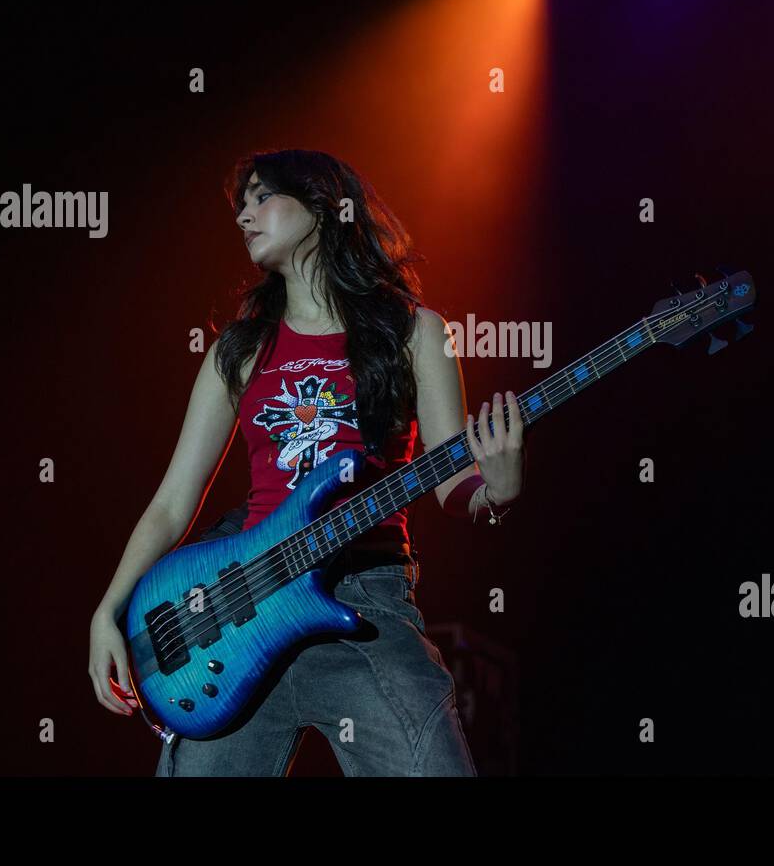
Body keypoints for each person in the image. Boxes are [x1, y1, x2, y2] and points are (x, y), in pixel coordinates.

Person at [87, 148, 525, 776]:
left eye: (262, 197)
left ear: (323, 205)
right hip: (240, 613)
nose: (243, 216)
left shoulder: (414, 332)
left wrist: (496, 492)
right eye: (241, 205)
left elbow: (455, 477)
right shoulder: (238, 352)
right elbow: (171, 504)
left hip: (366, 603)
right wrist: (109, 610)